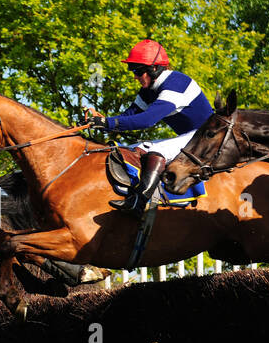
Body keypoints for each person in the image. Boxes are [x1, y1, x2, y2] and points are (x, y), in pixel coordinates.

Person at [83, 39, 215, 216]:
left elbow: (147, 120)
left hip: (206, 138)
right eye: (133, 71)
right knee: (131, 149)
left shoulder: (177, 83)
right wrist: (100, 122)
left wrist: (108, 123)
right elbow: (129, 116)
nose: (135, 76)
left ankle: (139, 202)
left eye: (138, 71)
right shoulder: (149, 89)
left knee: (153, 149)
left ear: (155, 68)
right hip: (191, 136)